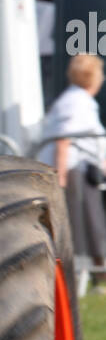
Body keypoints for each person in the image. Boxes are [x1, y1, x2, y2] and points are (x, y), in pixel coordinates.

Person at [41, 53, 106, 294]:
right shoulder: (76, 102)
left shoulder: (80, 101)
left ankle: (92, 280)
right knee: (81, 228)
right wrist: (60, 180)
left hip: (82, 171)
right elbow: (64, 140)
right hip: (73, 172)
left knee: (91, 225)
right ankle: (78, 282)